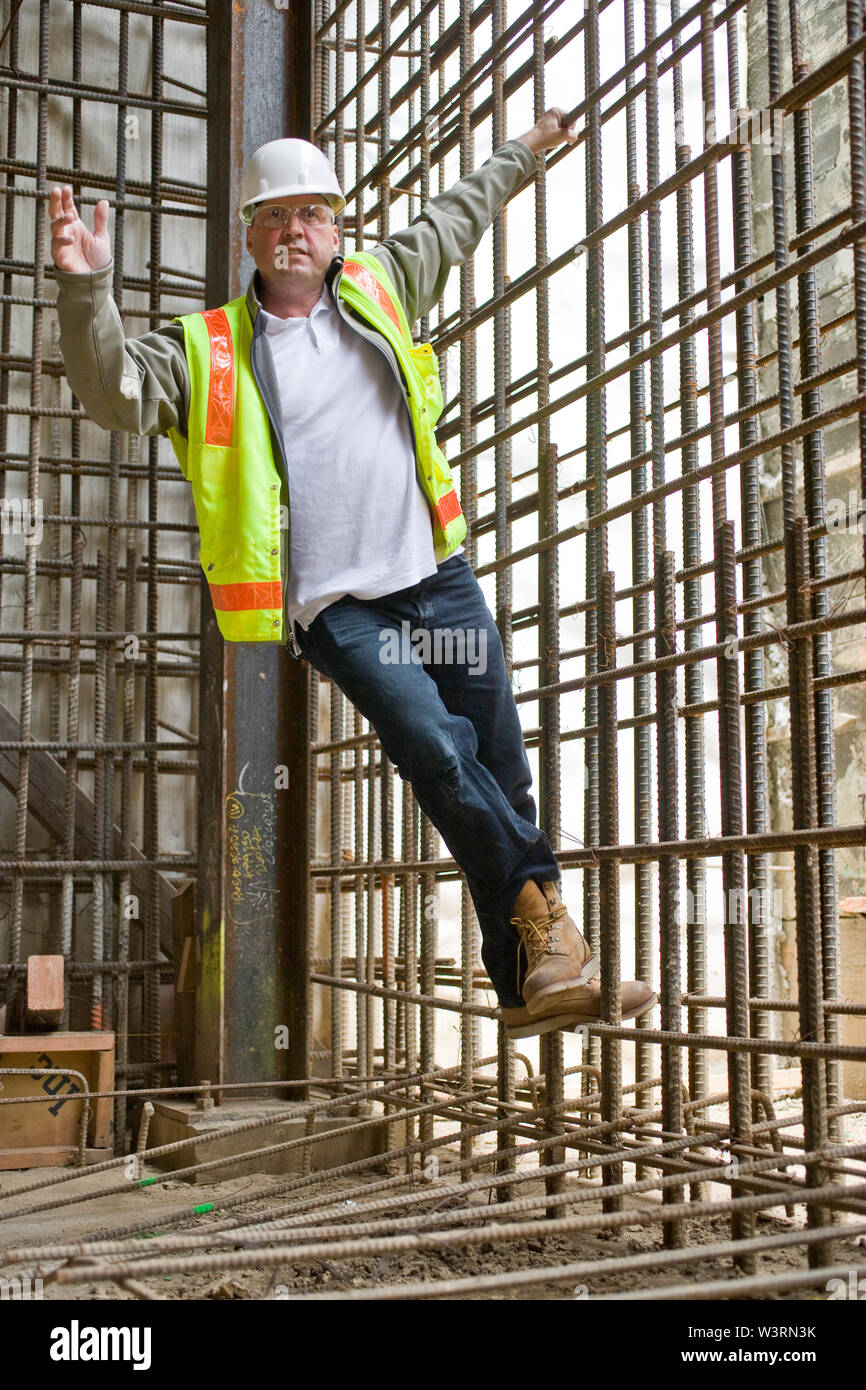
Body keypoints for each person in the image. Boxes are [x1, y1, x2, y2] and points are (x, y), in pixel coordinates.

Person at [49, 108, 656, 1040]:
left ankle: (526, 985)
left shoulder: (380, 284)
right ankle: (551, 931)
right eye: (275, 215)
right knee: (436, 748)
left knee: (498, 768)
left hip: (434, 574)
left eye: (314, 213)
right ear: (249, 233)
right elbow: (109, 392)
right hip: (338, 608)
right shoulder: (207, 349)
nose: (295, 229)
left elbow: (456, 215)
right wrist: (87, 289)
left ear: (335, 228)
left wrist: (522, 154)